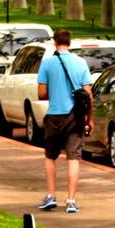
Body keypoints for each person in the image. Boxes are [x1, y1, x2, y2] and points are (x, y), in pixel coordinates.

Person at [35, 29, 92, 214]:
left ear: (54, 42)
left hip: (54, 116)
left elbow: (41, 94)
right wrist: (89, 120)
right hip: (75, 117)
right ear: (70, 42)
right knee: (73, 158)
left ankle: (51, 196)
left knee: (50, 156)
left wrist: (56, 91)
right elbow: (88, 95)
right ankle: (71, 200)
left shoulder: (47, 64)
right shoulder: (81, 63)